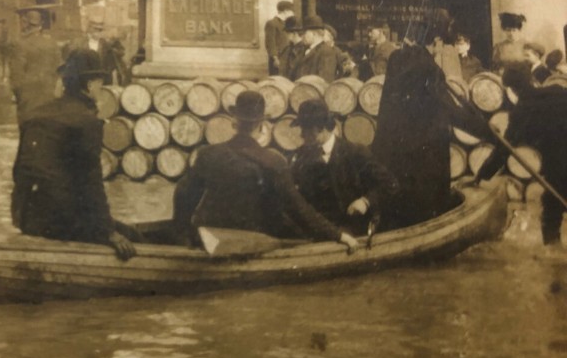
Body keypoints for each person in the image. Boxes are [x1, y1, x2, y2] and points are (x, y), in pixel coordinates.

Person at [172, 90, 360, 251]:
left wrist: (184, 234)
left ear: (235, 121)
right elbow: (298, 209)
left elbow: (183, 192)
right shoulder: (273, 162)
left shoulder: (208, 154)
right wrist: (338, 235)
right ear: (262, 126)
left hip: (209, 240)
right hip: (251, 243)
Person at [11, 49, 136, 260]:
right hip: (60, 222)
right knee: (134, 237)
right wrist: (108, 231)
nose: (101, 88)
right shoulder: (87, 122)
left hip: (25, 217)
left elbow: (19, 171)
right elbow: (91, 182)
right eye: (100, 82)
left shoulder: (36, 114)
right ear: (89, 86)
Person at [371, 18, 490, 228]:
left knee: (399, 206)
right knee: (426, 208)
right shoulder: (427, 66)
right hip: (426, 151)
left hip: (394, 147)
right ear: (434, 41)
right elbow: (450, 108)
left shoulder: (396, 59)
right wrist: (485, 131)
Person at [474, 62, 567, 245]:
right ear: (531, 80)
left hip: (558, 164)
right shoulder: (557, 91)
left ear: (512, 89)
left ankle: (554, 260)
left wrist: (482, 174)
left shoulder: (521, 113)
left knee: (551, 210)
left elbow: (504, 150)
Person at [290, 99, 398, 235]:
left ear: (320, 129)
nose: (301, 135)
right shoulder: (300, 157)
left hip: (352, 228)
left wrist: (366, 201)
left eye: (305, 129)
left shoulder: (355, 152)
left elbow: (390, 184)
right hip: (316, 230)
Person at [9, 9, 64, 124]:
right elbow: (60, 70)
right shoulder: (52, 44)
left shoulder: (20, 45)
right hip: (50, 99)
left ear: (26, 24)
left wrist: (18, 96)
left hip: (28, 101)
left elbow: (16, 76)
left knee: (28, 134)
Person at [65, 16, 128, 86]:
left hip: (103, 82)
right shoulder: (80, 44)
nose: (98, 32)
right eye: (96, 29)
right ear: (89, 29)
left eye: (100, 30)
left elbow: (118, 62)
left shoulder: (106, 46)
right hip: (84, 82)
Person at [295, 16, 340, 83]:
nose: (302, 36)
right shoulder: (303, 50)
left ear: (314, 34)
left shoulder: (326, 52)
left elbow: (324, 81)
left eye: (304, 33)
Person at [264, 0, 295, 75]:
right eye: (291, 11)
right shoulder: (272, 23)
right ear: (285, 11)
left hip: (287, 58)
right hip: (278, 59)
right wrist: (275, 58)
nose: (293, 14)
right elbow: (270, 43)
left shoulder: (287, 23)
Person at [278, 16, 306, 81]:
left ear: (294, 33)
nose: (286, 35)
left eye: (288, 33)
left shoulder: (306, 50)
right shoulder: (287, 49)